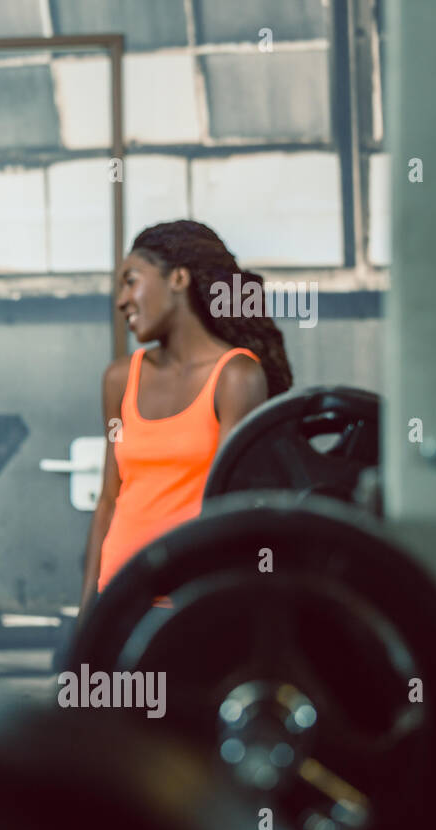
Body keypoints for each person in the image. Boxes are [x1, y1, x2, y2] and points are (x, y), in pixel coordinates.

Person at [81, 220, 293, 612]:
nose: (121, 300)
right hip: (119, 599)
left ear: (178, 278)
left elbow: (229, 507)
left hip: (193, 599)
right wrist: (86, 616)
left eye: (131, 281)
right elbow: (109, 501)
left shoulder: (236, 377)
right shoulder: (119, 378)